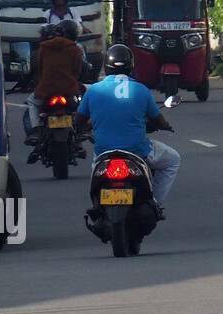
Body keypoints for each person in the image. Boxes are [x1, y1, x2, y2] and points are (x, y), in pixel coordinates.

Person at [76, 44, 179, 214]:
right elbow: (157, 119)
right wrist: (165, 125)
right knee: (173, 159)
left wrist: (85, 125)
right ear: (131, 65)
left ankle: (97, 204)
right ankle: (155, 204)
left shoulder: (94, 90)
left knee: (96, 173)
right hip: (137, 150)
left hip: (104, 151)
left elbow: (79, 120)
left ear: (106, 66)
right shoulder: (141, 90)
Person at [23, 20, 86, 154]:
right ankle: (84, 129)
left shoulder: (43, 48)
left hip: (46, 89)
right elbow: (77, 71)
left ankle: (36, 130)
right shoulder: (75, 49)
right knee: (83, 104)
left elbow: (40, 69)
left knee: (32, 102)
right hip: (69, 89)